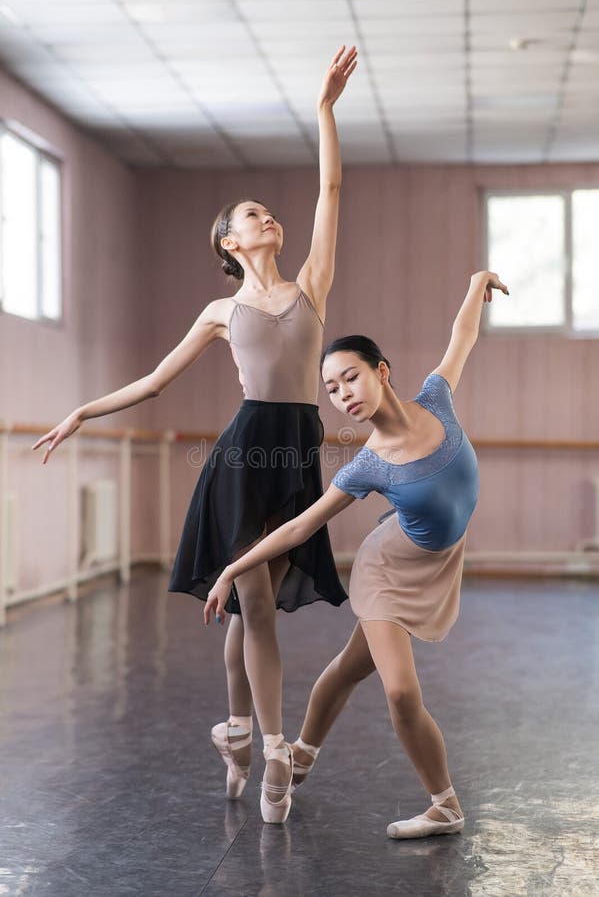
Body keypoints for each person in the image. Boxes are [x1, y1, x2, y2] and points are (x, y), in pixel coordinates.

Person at [32, 46, 358, 826]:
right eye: (250, 215)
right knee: (253, 597)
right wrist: (82, 411)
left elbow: (331, 187)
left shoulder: (311, 282)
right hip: (243, 459)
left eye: (266, 211)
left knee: (253, 612)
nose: (266, 216)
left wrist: (323, 110)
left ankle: (238, 729)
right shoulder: (220, 313)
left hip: (294, 456)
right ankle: (275, 752)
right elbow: (153, 381)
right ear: (227, 244)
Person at [206, 270, 509, 835]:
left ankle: (299, 755)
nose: (344, 395)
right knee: (399, 689)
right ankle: (446, 805)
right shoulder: (367, 464)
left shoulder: (437, 400)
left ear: (382, 373)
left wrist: (474, 285)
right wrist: (233, 568)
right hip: (387, 570)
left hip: (438, 562)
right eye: (333, 389)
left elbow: (460, 337)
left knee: (349, 668)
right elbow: (298, 527)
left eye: (351, 379)